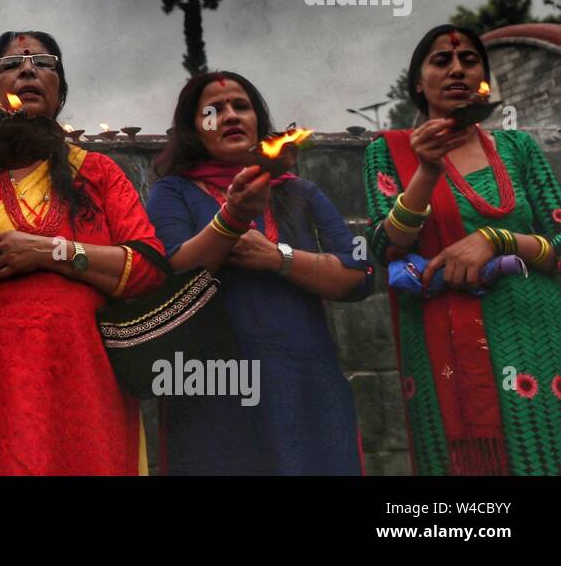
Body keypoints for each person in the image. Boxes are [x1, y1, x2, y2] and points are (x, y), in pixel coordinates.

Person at [0, 31, 165, 475]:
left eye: (43, 62)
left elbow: (147, 269)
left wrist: (53, 252)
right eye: (9, 65)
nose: (27, 69)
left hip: (84, 381)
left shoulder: (97, 172)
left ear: (60, 91)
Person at [146, 71, 369, 475]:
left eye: (241, 106)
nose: (230, 115)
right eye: (212, 111)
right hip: (212, 386)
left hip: (304, 378)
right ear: (194, 129)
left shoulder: (299, 191)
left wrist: (277, 258)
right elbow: (171, 276)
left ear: (257, 121)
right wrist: (232, 219)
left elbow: (358, 275)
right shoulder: (173, 191)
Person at [363, 24, 561, 475]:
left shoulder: (519, 148)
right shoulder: (389, 152)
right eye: (441, 61)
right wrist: (427, 171)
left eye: (470, 61)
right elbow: (387, 247)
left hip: (537, 337)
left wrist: (499, 239)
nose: (457, 69)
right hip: (442, 346)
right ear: (418, 82)